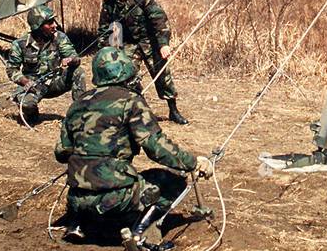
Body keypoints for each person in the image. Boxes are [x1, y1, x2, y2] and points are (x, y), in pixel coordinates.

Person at [54, 47, 212, 241]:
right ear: (126, 71)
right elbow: (156, 147)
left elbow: (61, 152)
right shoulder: (131, 101)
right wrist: (193, 163)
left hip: (75, 198)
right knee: (172, 181)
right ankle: (139, 235)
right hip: (115, 199)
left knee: (94, 181)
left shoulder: (77, 104)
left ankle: (77, 224)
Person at [97, 0, 186, 124]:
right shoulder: (109, 4)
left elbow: (159, 19)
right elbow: (105, 30)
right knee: (126, 76)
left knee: (162, 75)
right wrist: (110, 51)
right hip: (128, 43)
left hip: (150, 40)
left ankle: (173, 110)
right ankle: (139, 109)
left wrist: (163, 44)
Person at [4, 4, 85, 124]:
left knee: (78, 72)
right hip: (34, 86)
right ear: (38, 26)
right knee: (26, 104)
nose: (55, 25)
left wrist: (71, 60)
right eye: (50, 23)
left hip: (56, 82)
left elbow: (76, 59)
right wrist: (25, 82)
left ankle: (79, 117)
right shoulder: (19, 44)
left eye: (54, 21)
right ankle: (32, 114)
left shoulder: (60, 37)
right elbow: (11, 70)